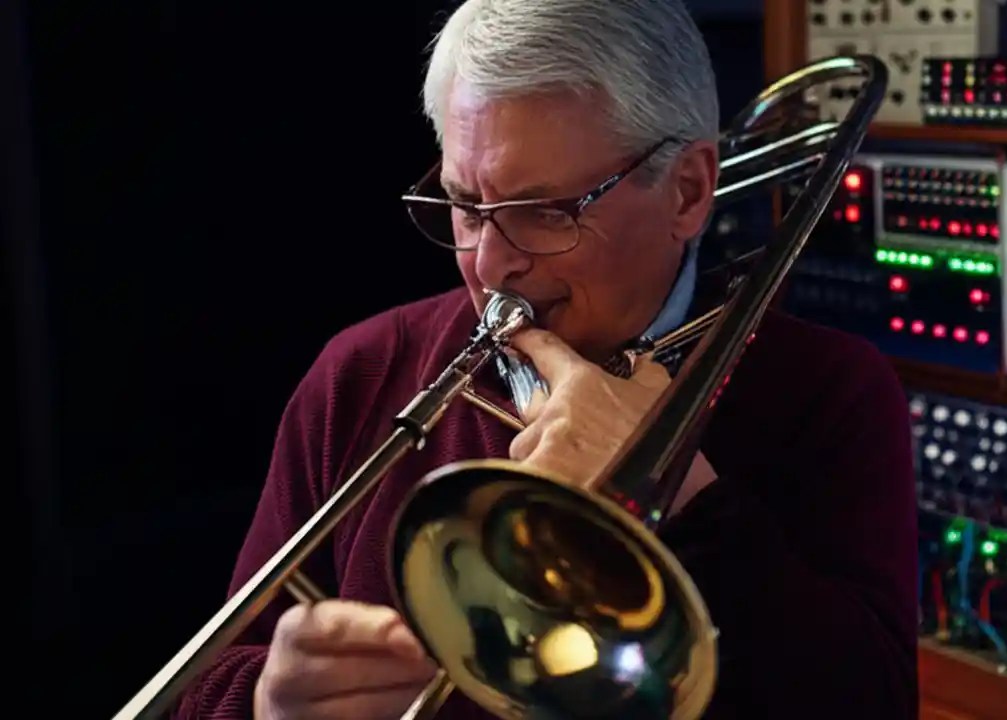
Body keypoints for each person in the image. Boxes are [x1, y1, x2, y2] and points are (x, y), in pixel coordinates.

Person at [174, 1, 918, 718]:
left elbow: (874, 702)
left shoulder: (832, 391)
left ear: (689, 191)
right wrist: (268, 705)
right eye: (467, 207)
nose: (490, 266)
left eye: (545, 211)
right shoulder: (361, 371)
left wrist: (688, 499)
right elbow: (205, 691)